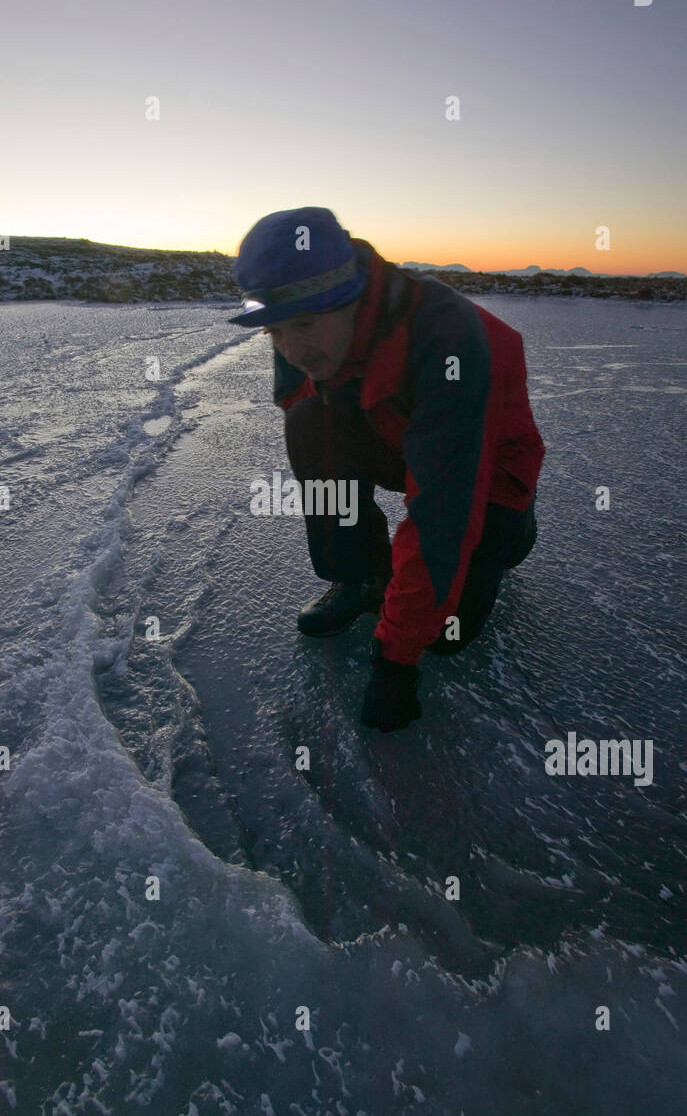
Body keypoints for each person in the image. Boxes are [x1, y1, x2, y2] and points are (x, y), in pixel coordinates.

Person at [228, 206, 546, 732]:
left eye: (304, 325)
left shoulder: (450, 344)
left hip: (487, 467)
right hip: (391, 427)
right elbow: (300, 401)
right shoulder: (296, 322)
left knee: (446, 636)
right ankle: (362, 575)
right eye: (274, 333)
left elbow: (443, 508)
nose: (291, 348)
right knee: (309, 420)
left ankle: (514, 532)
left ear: (349, 299)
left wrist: (395, 662)